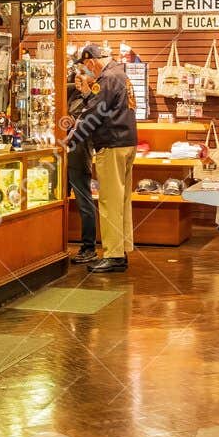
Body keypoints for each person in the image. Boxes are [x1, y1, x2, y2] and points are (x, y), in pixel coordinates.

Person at [77, 41, 137, 273]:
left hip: (111, 144)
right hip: (127, 142)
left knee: (110, 201)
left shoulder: (106, 80)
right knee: (121, 200)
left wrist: (70, 141)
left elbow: (94, 113)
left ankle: (113, 255)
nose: (87, 71)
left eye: (86, 67)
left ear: (91, 61)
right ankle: (121, 250)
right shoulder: (120, 74)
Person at [65, 62, 99, 265]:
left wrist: (86, 90)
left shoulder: (95, 98)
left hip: (79, 154)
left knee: (84, 203)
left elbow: (93, 115)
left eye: (83, 75)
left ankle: (89, 248)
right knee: (57, 200)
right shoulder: (71, 94)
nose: (79, 79)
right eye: (77, 75)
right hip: (62, 154)